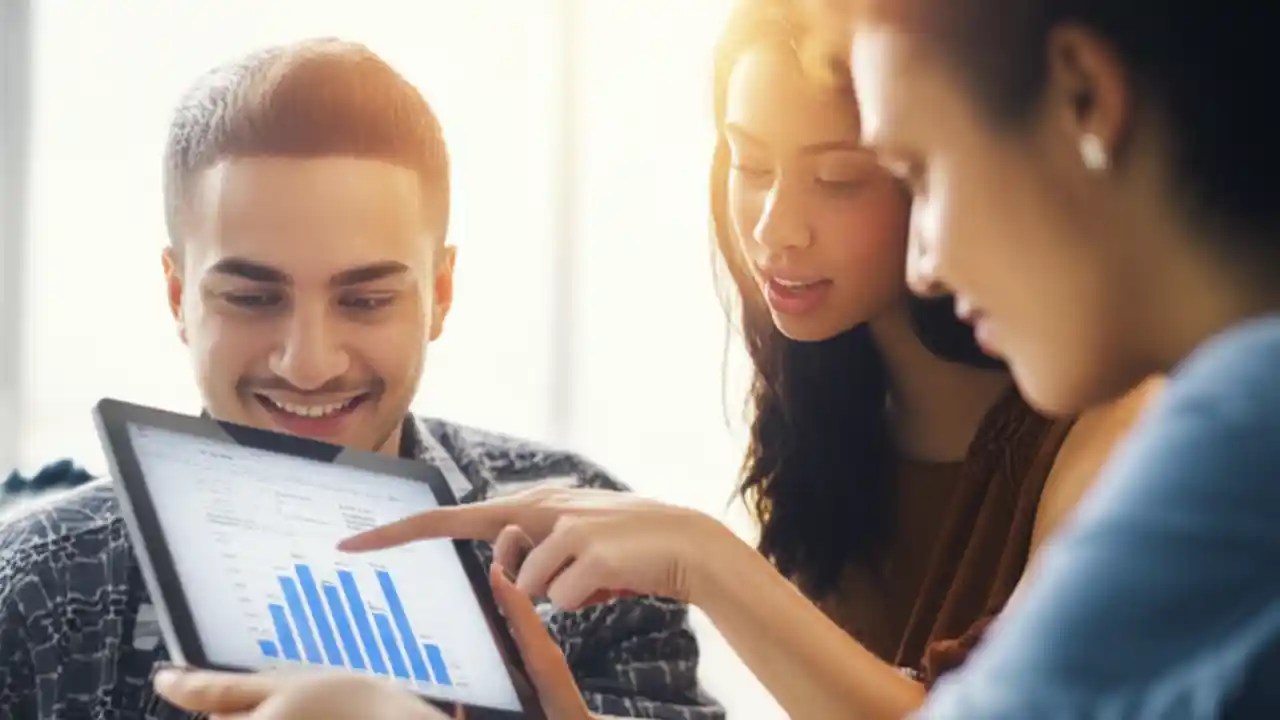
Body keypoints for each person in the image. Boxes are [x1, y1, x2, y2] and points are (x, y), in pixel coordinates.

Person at [149, 2, 1164, 718]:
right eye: (748, 163)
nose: (776, 229)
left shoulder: (1119, 432)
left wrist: (704, 561)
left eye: (841, 179)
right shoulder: (824, 412)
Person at [0, 39, 721, 720]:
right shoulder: (41, 588)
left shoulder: (590, 560)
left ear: (439, 294)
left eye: (366, 300)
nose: (309, 363)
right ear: (175, 295)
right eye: (252, 299)